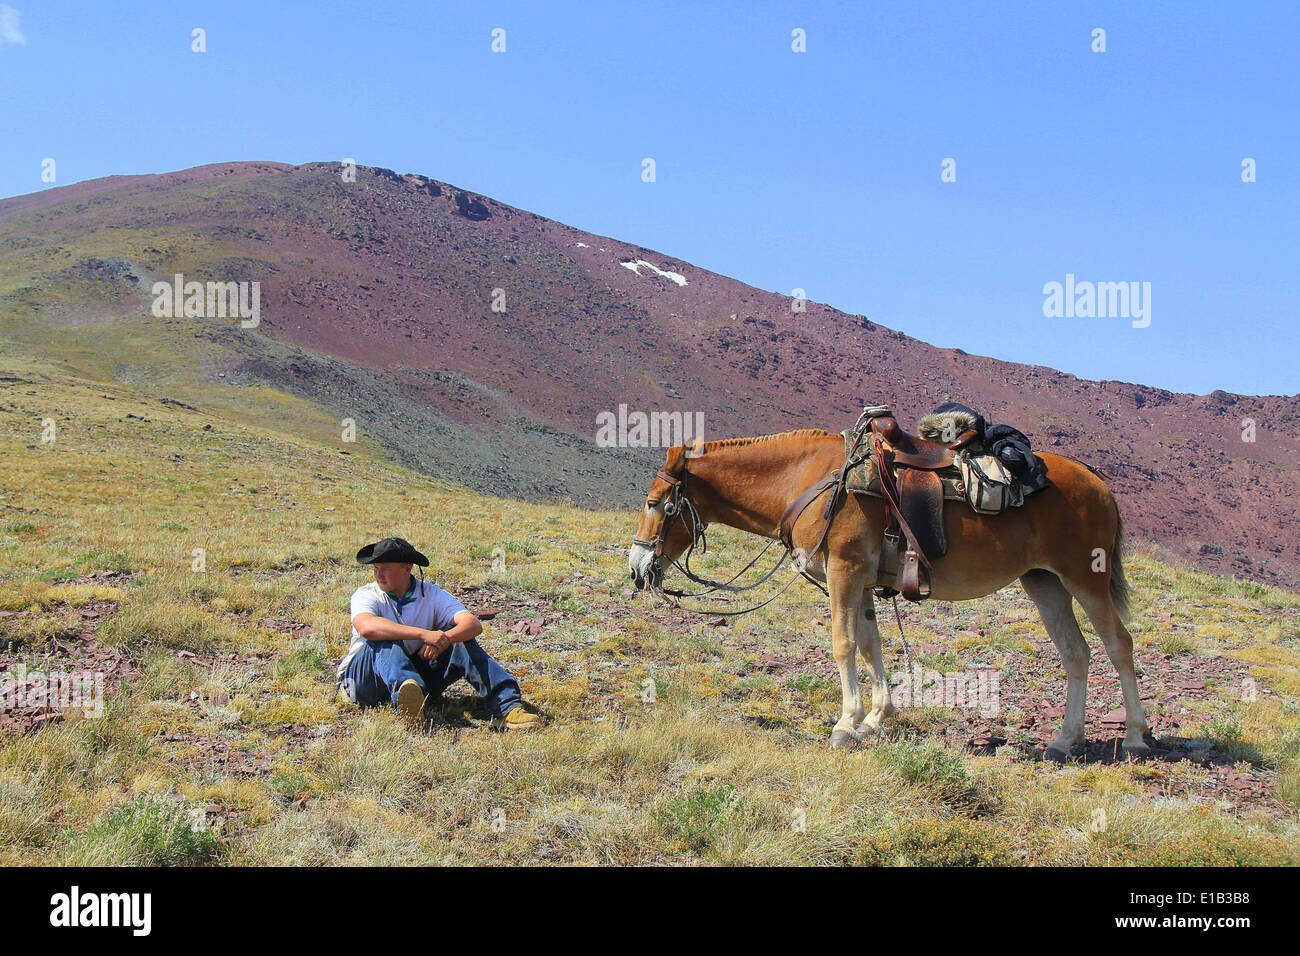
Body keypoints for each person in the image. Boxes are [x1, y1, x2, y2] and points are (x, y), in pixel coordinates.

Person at [337, 536, 540, 730]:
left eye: (385, 569)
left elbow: (472, 624)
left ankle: (507, 707)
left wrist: (445, 639)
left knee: (461, 641)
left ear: (407, 568)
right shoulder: (366, 594)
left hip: (416, 674)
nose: (378, 575)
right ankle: (407, 692)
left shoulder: (431, 594)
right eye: (376, 569)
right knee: (382, 639)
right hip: (363, 682)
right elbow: (367, 627)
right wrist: (423, 634)